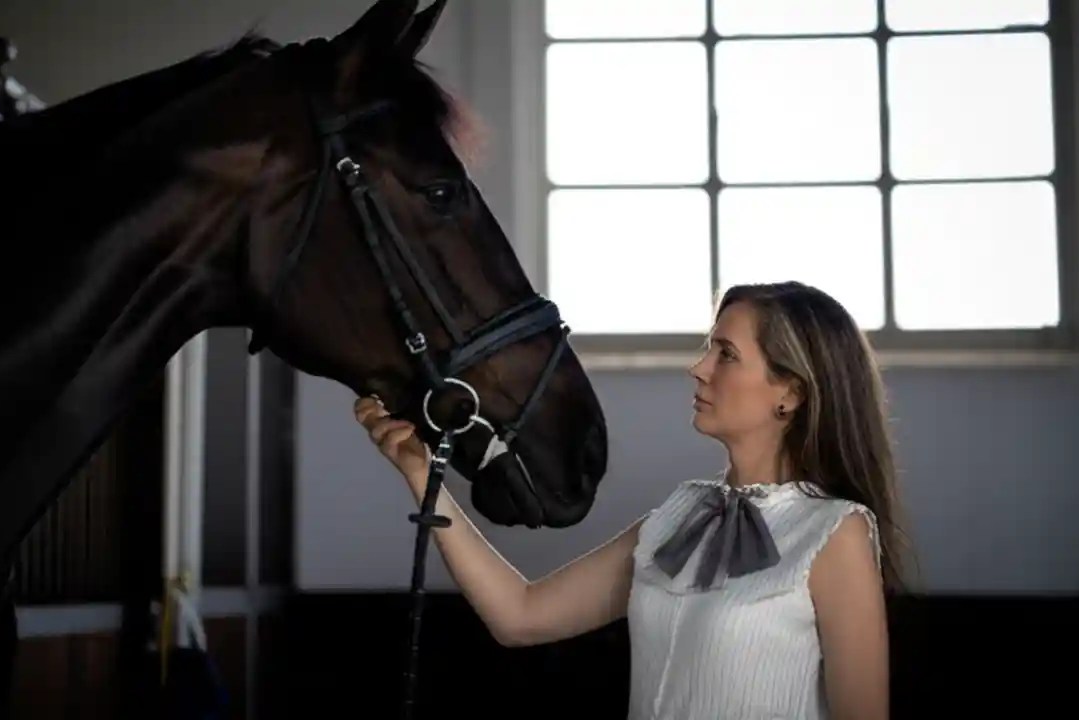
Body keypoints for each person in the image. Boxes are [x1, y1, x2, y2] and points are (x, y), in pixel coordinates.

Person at [354, 280, 910, 719]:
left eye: (726, 354)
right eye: (708, 349)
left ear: (790, 392)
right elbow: (520, 615)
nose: (698, 368)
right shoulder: (678, 517)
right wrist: (423, 475)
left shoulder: (834, 532)